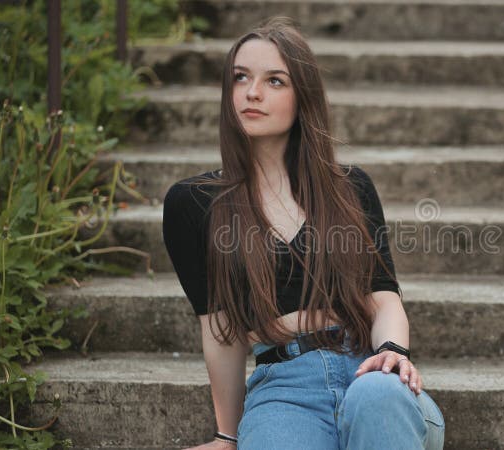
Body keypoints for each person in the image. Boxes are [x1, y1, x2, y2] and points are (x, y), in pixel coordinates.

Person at [161, 16, 446, 450]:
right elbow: (220, 328)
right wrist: (226, 433)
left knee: (377, 397)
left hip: (366, 373)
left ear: (302, 97)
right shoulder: (194, 203)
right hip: (283, 392)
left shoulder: (350, 188)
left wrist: (393, 352)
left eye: (275, 81)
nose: (252, 92)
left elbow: (383, 296)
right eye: (241, 78)